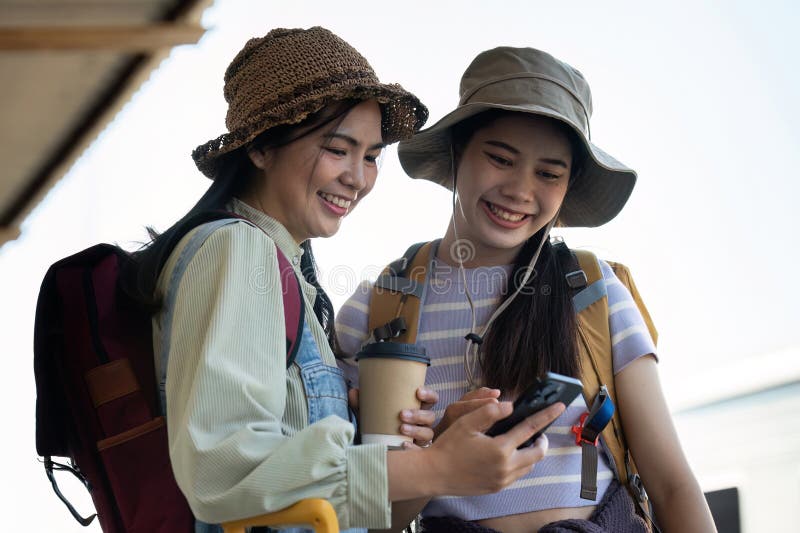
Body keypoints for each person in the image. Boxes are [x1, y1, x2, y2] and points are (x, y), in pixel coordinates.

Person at [122, 27, 565, 533]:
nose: (358, 177)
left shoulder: (286, 271)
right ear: (261, 148)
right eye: (338, 149)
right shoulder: (237, 249)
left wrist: (435, 445)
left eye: (371, 156)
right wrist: (433, 467)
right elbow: (225, 471)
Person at [336, 46, 717, 532]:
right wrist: (439, 455)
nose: (520, 190)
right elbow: (376, 520)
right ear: (458, 153)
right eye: (500, 158)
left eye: (548, 173)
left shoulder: (594, 292)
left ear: (568, 185)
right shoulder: (379, 307)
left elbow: (671, 485)